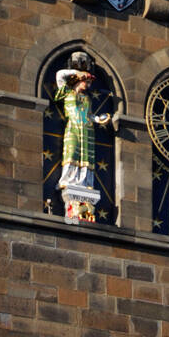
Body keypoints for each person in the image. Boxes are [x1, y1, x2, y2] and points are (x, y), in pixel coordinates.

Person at [54, 54, 110, 218]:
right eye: (86, 81)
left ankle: (84, 182)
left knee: (87, 157)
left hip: (86, 128)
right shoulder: (66, 92)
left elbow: (89, 114)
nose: (88, 84)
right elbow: (59, 76)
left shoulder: (87, 98)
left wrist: (98, 119)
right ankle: (68, 179)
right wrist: (75, 72)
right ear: (78, 80)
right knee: (72, 153)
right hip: (74, 126)